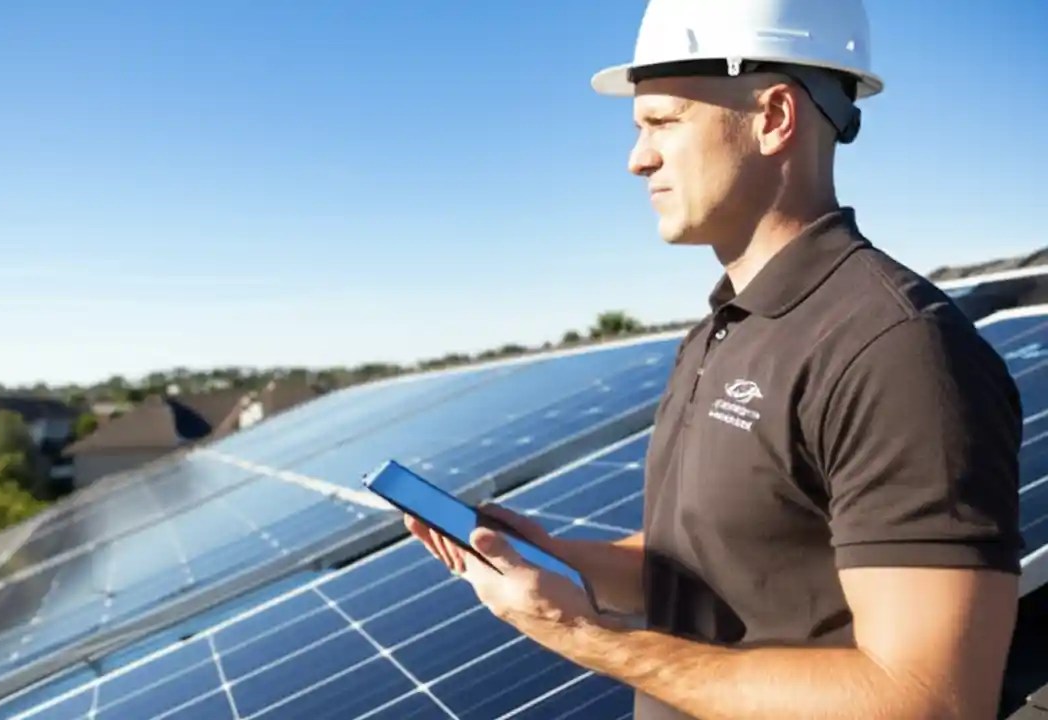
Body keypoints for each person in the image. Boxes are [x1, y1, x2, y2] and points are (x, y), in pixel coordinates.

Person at [404, 1, 1026, 718]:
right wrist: (555, 560)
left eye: (663, 122)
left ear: (774, 118)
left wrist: (583, 634)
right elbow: (706, 562)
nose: (636, 158)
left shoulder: (896, 351)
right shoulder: (722, 329)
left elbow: (929, 702)